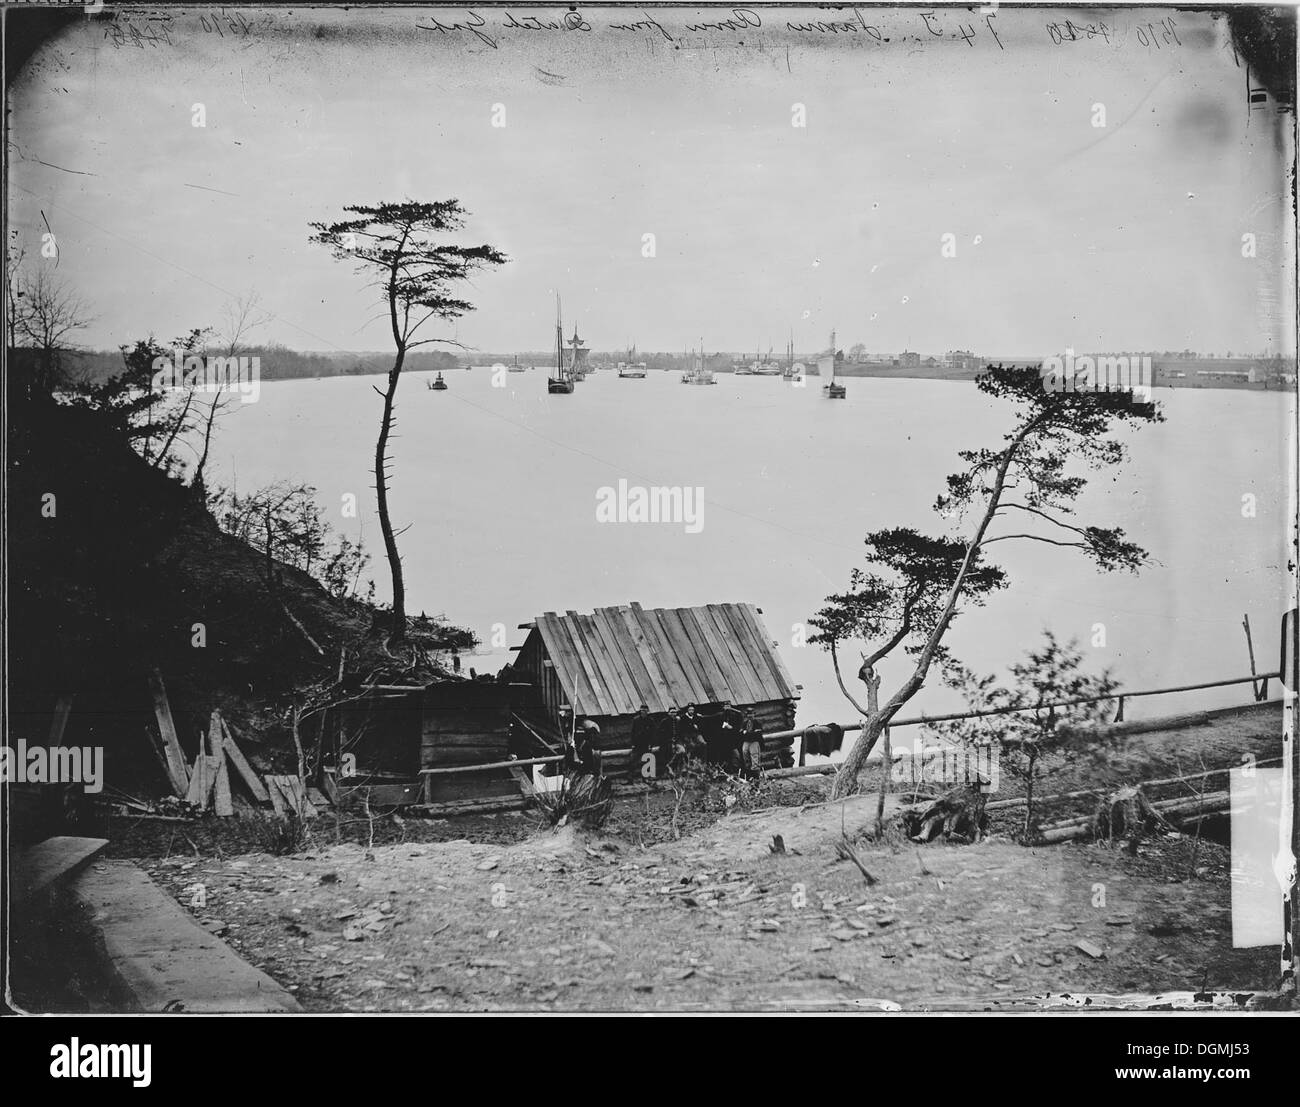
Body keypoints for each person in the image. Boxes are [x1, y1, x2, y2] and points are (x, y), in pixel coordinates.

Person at [629, 704, 656, 780]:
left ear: (647, 711)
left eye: (644, 710)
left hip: (646, 744)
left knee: (646, 761)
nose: (643, 712)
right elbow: (632, 732)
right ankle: (630, 778)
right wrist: (633, 744)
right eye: (642, 710)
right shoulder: (636, 720)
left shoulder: (650, 720)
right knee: (632, 761)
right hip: (637, 744)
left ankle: (645, 778)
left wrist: (651, 744)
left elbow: (653, 733)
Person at [740, 710, 764, 778]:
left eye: (751, 714)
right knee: (745, 755)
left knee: (754, 757)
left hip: (754, 742)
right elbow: (741, 732)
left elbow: (757, 734)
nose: (750, 716)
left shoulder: (757, 723)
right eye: (748, 715)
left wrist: (747, 733)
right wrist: (749, 733)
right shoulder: (745, 723)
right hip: (746, 742)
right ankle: (748, 775)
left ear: (754, 715)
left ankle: (756, 777)